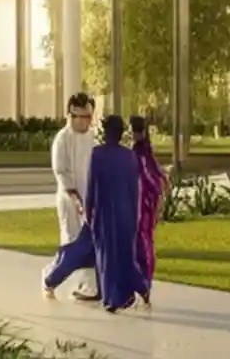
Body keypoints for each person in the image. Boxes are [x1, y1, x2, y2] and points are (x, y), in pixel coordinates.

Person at [86, 114, 148, 313]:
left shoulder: (97, 154)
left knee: (106, 256)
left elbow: (91, 186)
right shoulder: (129, 156)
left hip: (104, 211)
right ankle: (136, 288)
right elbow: (134, 189)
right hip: (125, 211)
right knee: (124, 254)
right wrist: (135, 213)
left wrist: (88, 211)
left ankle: (112, 299)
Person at [43, 92, 99, 302]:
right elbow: (61, 172)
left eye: (88, 116)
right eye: (81, 117)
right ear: (71, 116)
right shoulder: (63, 139)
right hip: (70, 201)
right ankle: (51, 277)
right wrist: (76, 199)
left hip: (91, 200)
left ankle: (88, 286)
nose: (85, 121)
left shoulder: (93, 138)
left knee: (90, 245)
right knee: (73, 243)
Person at [130, 115, 166, 306]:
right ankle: (144, 287)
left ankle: (143, 286)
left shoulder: (140, 154)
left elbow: (151, 180)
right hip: (144, 205)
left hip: (141, 206)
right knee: (144, 244)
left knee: (141, 244)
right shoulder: (144, 152)